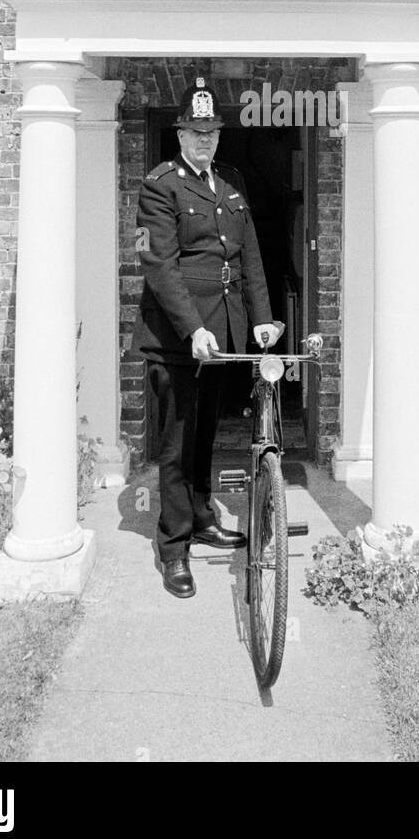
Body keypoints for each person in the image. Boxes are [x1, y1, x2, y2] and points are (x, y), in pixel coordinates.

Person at [130, 77, 281, 599]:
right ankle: (173, 549)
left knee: (202, 437)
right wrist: (192, 328)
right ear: (179, 134)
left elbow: (250, 258)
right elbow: (159, 267)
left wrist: (261, 315)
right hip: (177, 337)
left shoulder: (231, 184)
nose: (204, 142)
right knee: (174, 444)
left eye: (211, 133)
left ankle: (199, 516)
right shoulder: (160, 185)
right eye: (195, 134)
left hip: (224, 332)